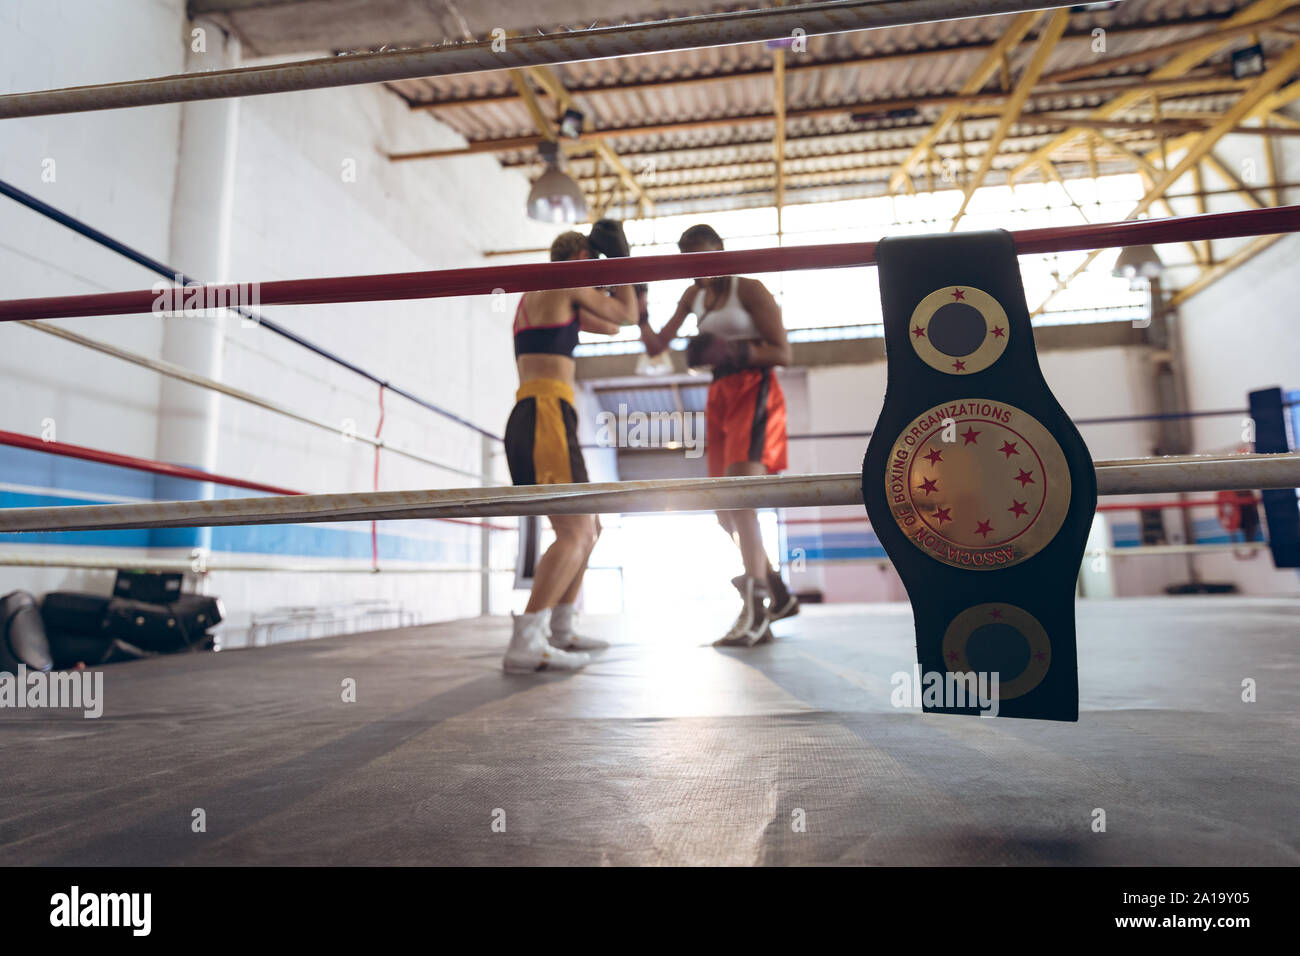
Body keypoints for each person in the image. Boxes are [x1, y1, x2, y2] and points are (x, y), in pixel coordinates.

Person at [638, 224, 799, 647]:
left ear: (721, 252)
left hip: (755, 387)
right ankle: (778, 592)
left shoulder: (749, 288)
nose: (698, 269)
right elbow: (657, 346)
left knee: (741, 496)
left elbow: (783, 351)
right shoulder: (693, 295)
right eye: (689, 261)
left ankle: (757, 608)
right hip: (720, 394)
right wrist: (637, 308)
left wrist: (736, 350)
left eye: (704, 258)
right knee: (725, 510)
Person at [502, 223, 638, 673]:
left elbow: (616, 326)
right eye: (595, 265)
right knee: (575, 531)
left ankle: (558, 628)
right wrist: (624, 263)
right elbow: (629, 314)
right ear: (581, 257)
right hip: (545, 415)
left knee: (589, 525)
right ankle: (527, 639)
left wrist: (624, 274)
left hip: (544, 415)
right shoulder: (564, 281)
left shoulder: (543, 295)